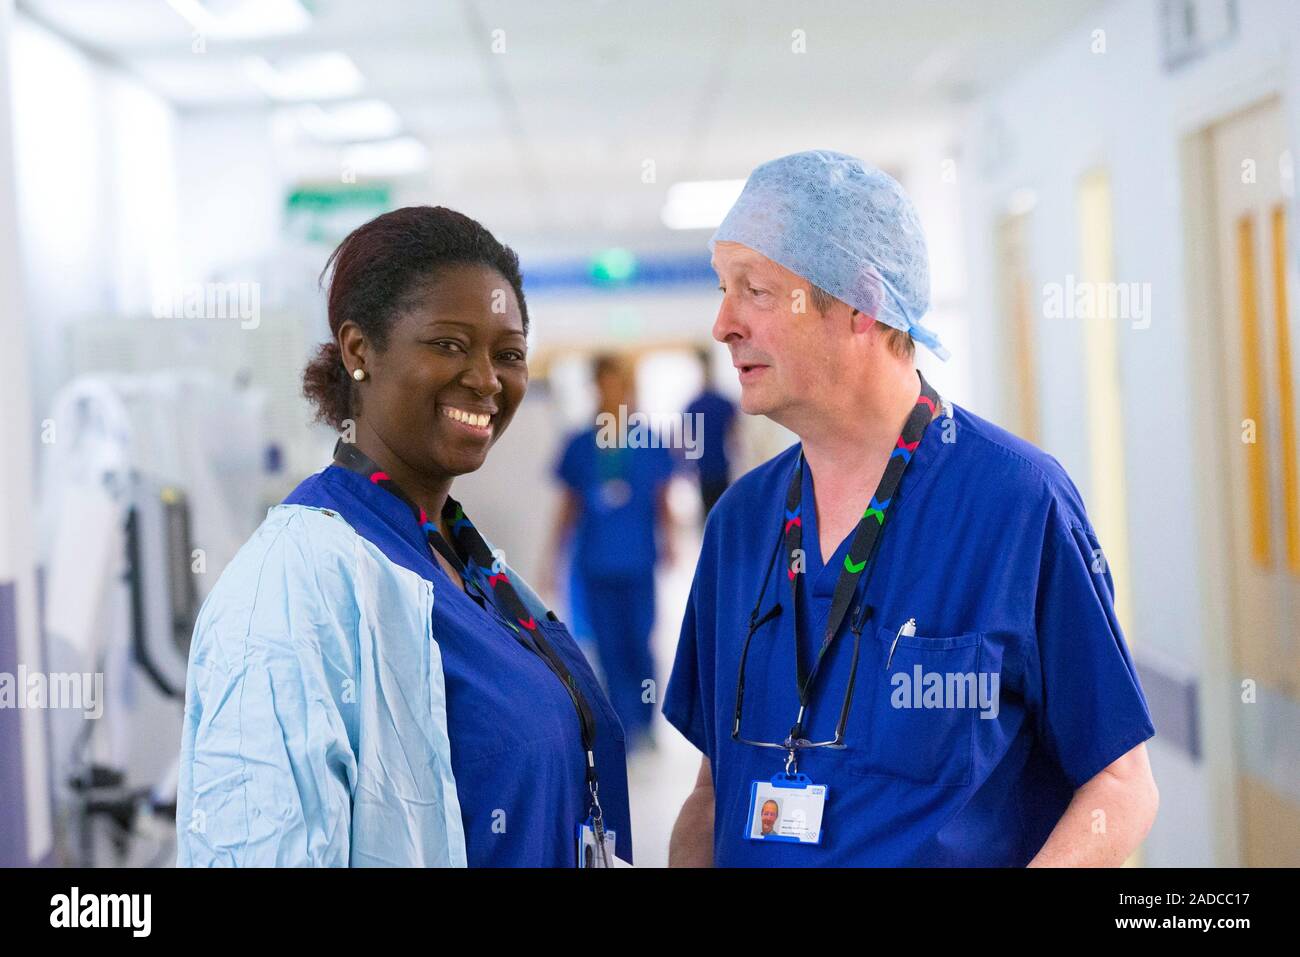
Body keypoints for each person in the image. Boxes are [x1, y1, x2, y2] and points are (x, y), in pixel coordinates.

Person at [663, 150, 1158, 867]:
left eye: (756, 290)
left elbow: (1121, 782)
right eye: (722, 287)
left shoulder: (1016, 504)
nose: (723, 322)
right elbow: (714, 790)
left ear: (862, 305)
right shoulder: (741, 522)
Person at [176, 206, 631, 867]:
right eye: (448, 343)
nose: (485, 378)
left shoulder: (464, 563)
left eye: (508, 353)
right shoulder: (293, 586)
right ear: (360, 350)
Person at [545, 355, 674, 752]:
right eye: (605, 383)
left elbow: (661, 497)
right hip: (596, 560)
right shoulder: (580, 444)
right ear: (596, 387)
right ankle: (620, 722)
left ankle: (646, 722)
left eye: (619, 383)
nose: (613, 391)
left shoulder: (648, 440)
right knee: (606, 645)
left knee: (640, 639)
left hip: (637, 558)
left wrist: (670, 541)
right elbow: (569, 505)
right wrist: (551, 558)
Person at [682, 348, 738, 518]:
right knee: (719, 514)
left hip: (715, 466)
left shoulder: (698, 405)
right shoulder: (720, 404)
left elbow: (734, 437)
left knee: (714, 514)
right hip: (709, 468)